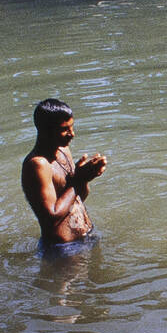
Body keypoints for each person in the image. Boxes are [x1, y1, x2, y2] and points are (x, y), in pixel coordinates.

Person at [21, 98, 106, 249]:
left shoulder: (63, 150)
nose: (72, 134)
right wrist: (78, 180)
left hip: (87, 236)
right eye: (64, 129)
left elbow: (79, 197)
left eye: (72, 127)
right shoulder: (38, 164)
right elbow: (52, 216)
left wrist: (86, 178)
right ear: (45, 130)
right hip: (63, 249)